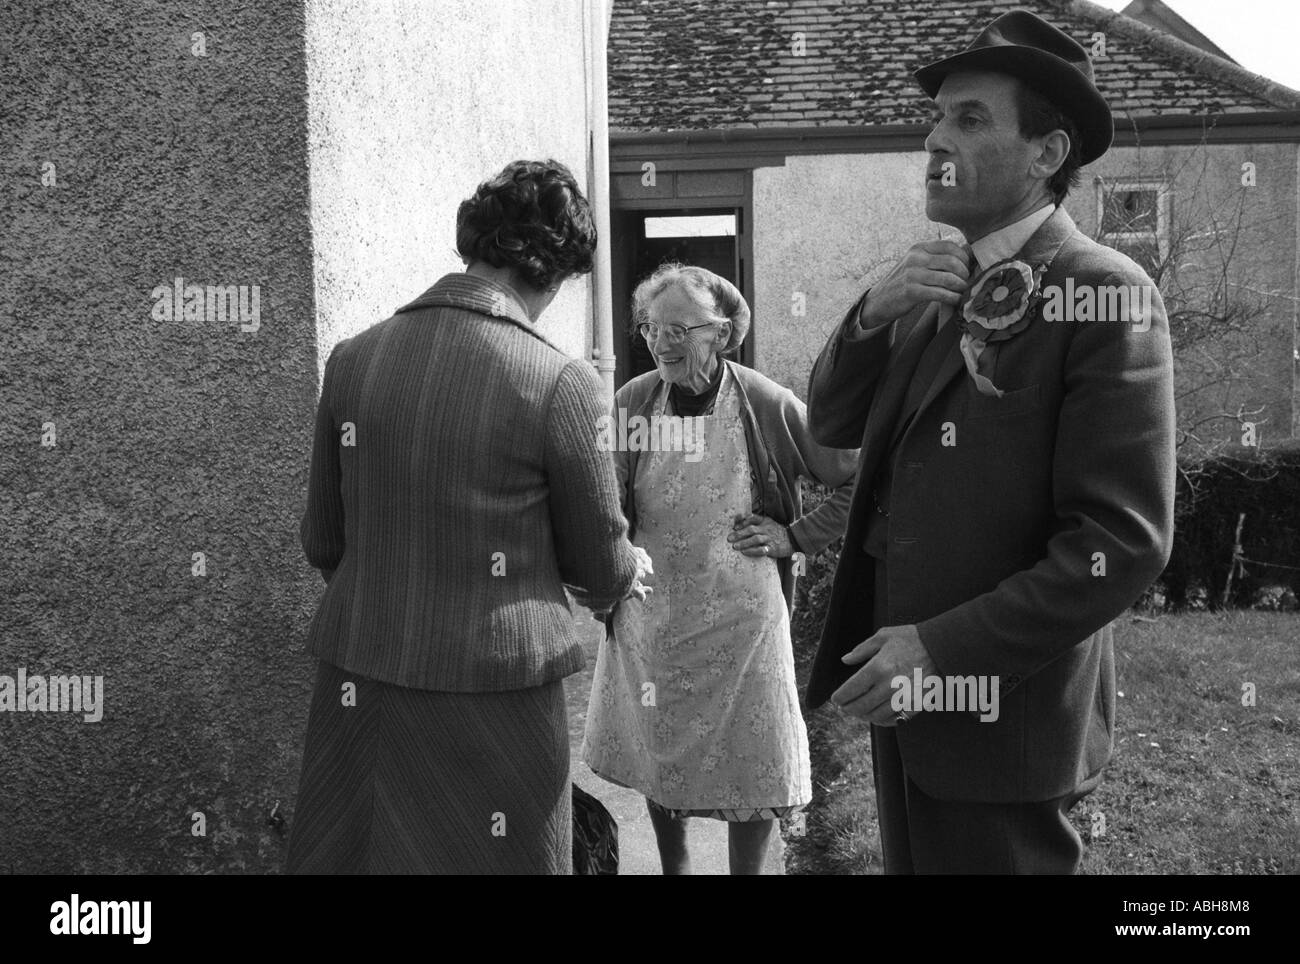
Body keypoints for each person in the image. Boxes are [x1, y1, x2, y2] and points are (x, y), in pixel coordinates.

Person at [804, 10, 1176, 874]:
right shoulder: (938, 280)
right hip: (906, 698)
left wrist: (942, 651)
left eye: (969, 118)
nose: (936, 136)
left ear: (1047, 154)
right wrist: (869, 314)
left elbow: (1121, 543)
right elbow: (830, 428)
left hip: (1000, 716)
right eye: (935, 118)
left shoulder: (1104, 293)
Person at [288, 159, 649, 874]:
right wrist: (627, 568)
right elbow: (600, 567)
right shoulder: (559, 381)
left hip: (365, 683)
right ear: (557, 272)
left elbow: (324, 540)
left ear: (474, 242)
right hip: (497, 698)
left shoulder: (353, 359)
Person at [583, 263, 859, 874]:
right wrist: (608, 564)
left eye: (682, 330)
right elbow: (606, 500)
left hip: (743, 623)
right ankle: (676, 868)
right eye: (653, 329)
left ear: (723, 332)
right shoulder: (634, 400)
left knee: (753, 760)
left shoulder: (764, 402)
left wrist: (795, 537)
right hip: (653, 620)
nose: (662, 343)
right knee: (661, 752)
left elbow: (856, 478)